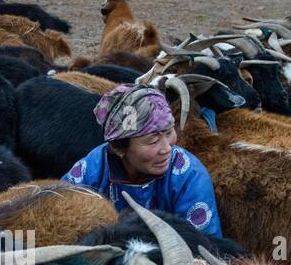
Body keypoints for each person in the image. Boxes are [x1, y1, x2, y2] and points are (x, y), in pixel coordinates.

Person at [61, 83, 222, 235]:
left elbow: (204, 245)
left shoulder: (189, 176)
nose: (167, 149)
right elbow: (53, 209)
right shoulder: (91, 170)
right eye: (153, 141)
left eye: (168, 132)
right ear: (118, 148)